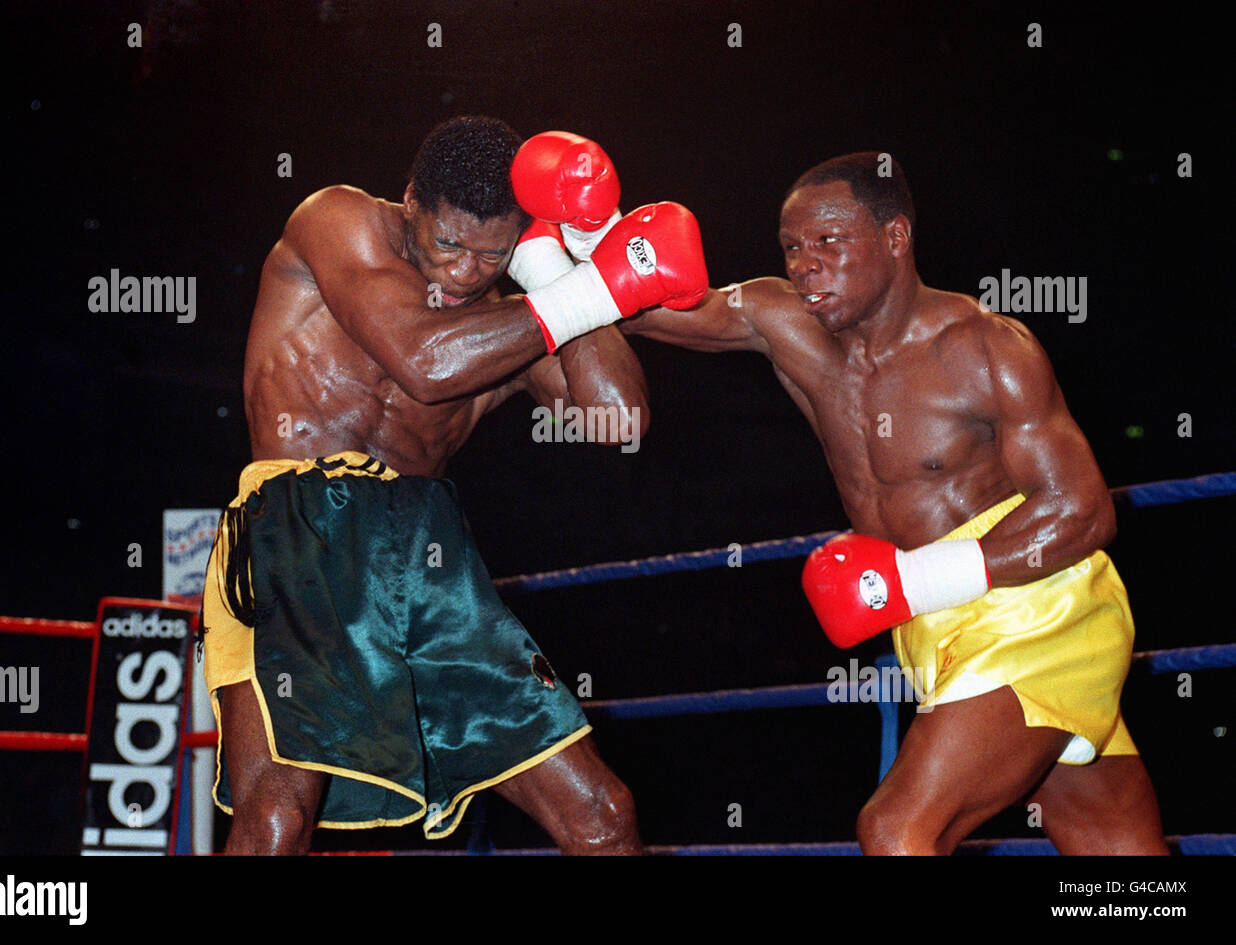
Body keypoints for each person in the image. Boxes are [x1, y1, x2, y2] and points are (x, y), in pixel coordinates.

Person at [623, 152, 1168, 855]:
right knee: (1119, 856)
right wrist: (562, 251)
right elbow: (641, 302)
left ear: (895, 238)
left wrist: (908, 582)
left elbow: (1085, 512)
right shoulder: (784, 323)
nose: (806, 265)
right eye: (792, 247)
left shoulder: (983, 347)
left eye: (829, 241)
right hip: (930, 629)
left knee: (898, 828)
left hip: (1036, 610)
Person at [200, 116, 707, 855]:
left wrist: (552, 267)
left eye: (492, 252)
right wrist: (599, 290)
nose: (466, 271)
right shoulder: (338, 220)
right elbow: (424, 362)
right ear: (411, 202)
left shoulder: (510, 313)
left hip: (427, 553)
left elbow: (616, 419)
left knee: (602, 815)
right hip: (299, 525)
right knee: (278, 816)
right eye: (448, 243)